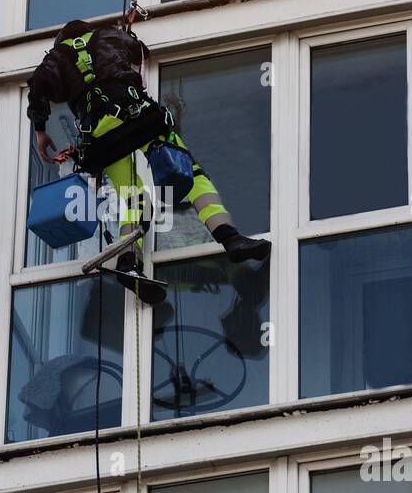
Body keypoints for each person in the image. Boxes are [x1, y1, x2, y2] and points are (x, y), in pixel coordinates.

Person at [26, 19, 270, 291]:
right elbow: (138, 51)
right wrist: (125, 36)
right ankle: (229, 237)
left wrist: (40, 131)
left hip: (101, 136)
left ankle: (128, 262)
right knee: (191, 172)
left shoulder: (57, 57)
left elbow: (38, 86)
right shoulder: (107, 35)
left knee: (133, 197)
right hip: (138, 117)